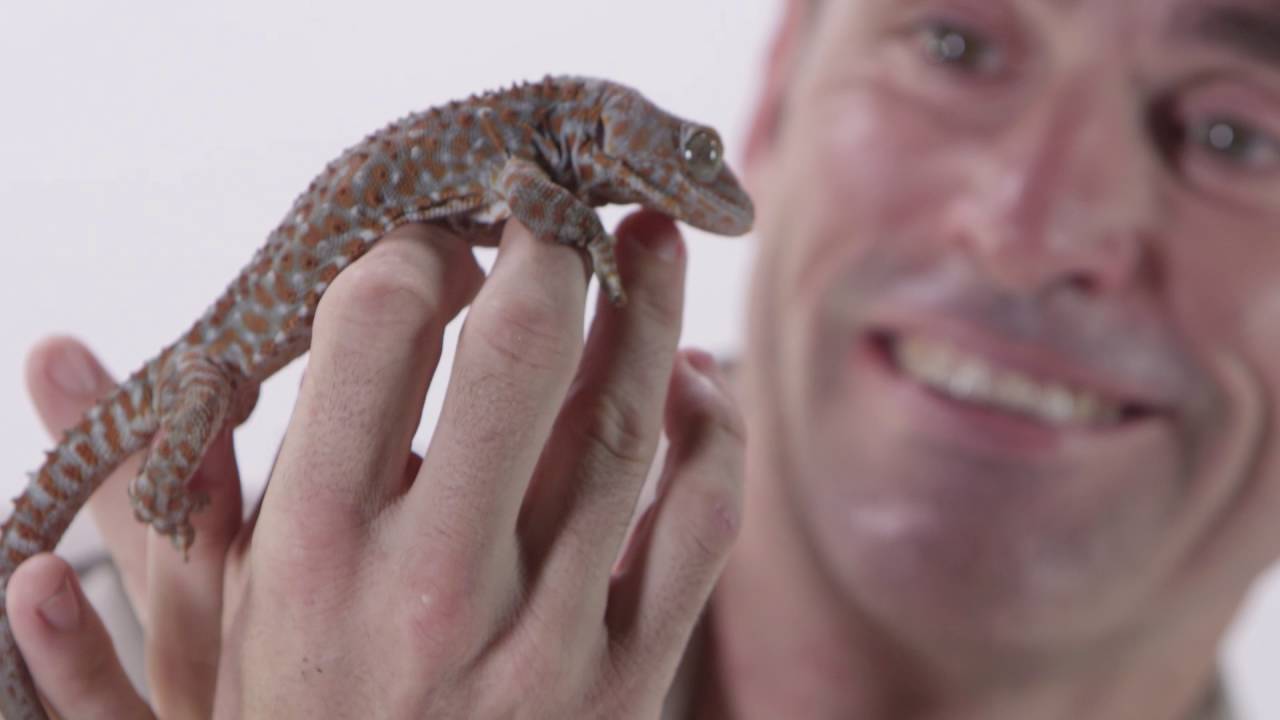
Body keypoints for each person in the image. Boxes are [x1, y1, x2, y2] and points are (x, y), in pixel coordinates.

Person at [7, 0, 1280, 716]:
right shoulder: (111, 639)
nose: (1031, 227)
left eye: (1237, 133)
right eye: (950, 44)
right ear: (779, 85)